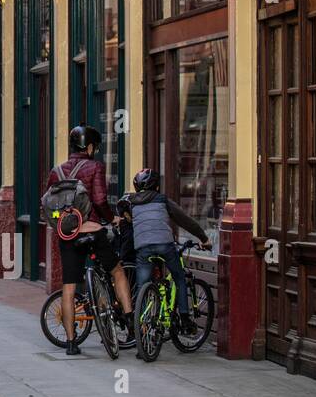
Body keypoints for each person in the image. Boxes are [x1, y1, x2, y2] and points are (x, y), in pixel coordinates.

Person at [51, 125, 133, 355]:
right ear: (89, 147)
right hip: (92, 230)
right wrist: (112, 218)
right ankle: (130, 323)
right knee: (117, 271)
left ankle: (70, 342)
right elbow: (99, 200)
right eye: (94, 147)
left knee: (68, 286)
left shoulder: (56, 171)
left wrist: (63, 221)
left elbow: (49, 206)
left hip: (67, 236)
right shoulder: (94, 166)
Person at [127, 168, 212, 344]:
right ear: (157, 186)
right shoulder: (163, 200)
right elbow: (184, 220)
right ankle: (184, 317)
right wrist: (203, 238)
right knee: (179, 277)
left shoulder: (132, 202)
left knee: (143, 284)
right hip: (165, 246)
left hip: (143, 248)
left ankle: (141, 331)